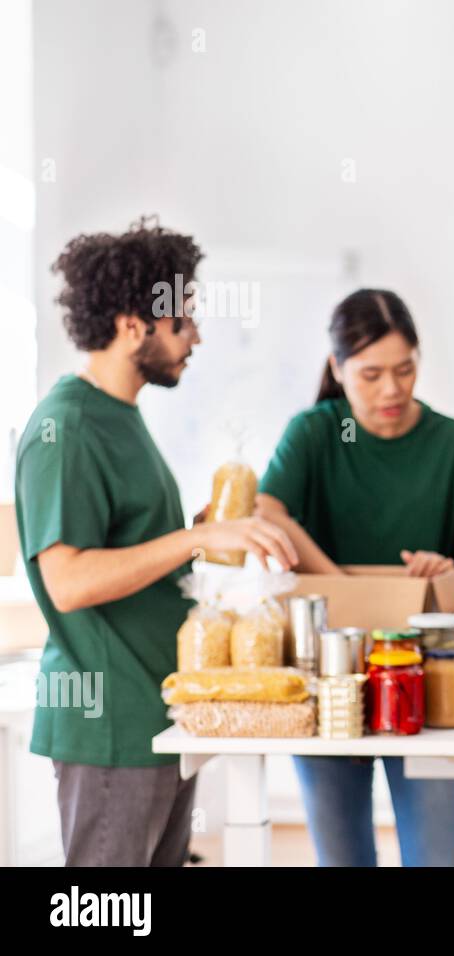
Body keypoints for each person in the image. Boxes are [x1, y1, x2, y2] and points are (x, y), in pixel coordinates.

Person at [15, 217, 297, 866]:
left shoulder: (121, 419)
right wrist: (196, 538)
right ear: (132, 324)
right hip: (110, 725)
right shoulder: (69, 427)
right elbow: (69, 580)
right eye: (183, 321)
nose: (194, 336)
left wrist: (201, 532)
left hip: (154, 716)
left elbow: (131, 550)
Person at [257, 288, 454, 866]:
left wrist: (445, 576)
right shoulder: (314, 434)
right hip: (329, 672)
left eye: (404, 370)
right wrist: (345, 584)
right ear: (337, 369)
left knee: (436, 857)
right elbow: (267, 513)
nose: (391, 389)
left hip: (427, 668)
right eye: (370, 375)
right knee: (342, 857)